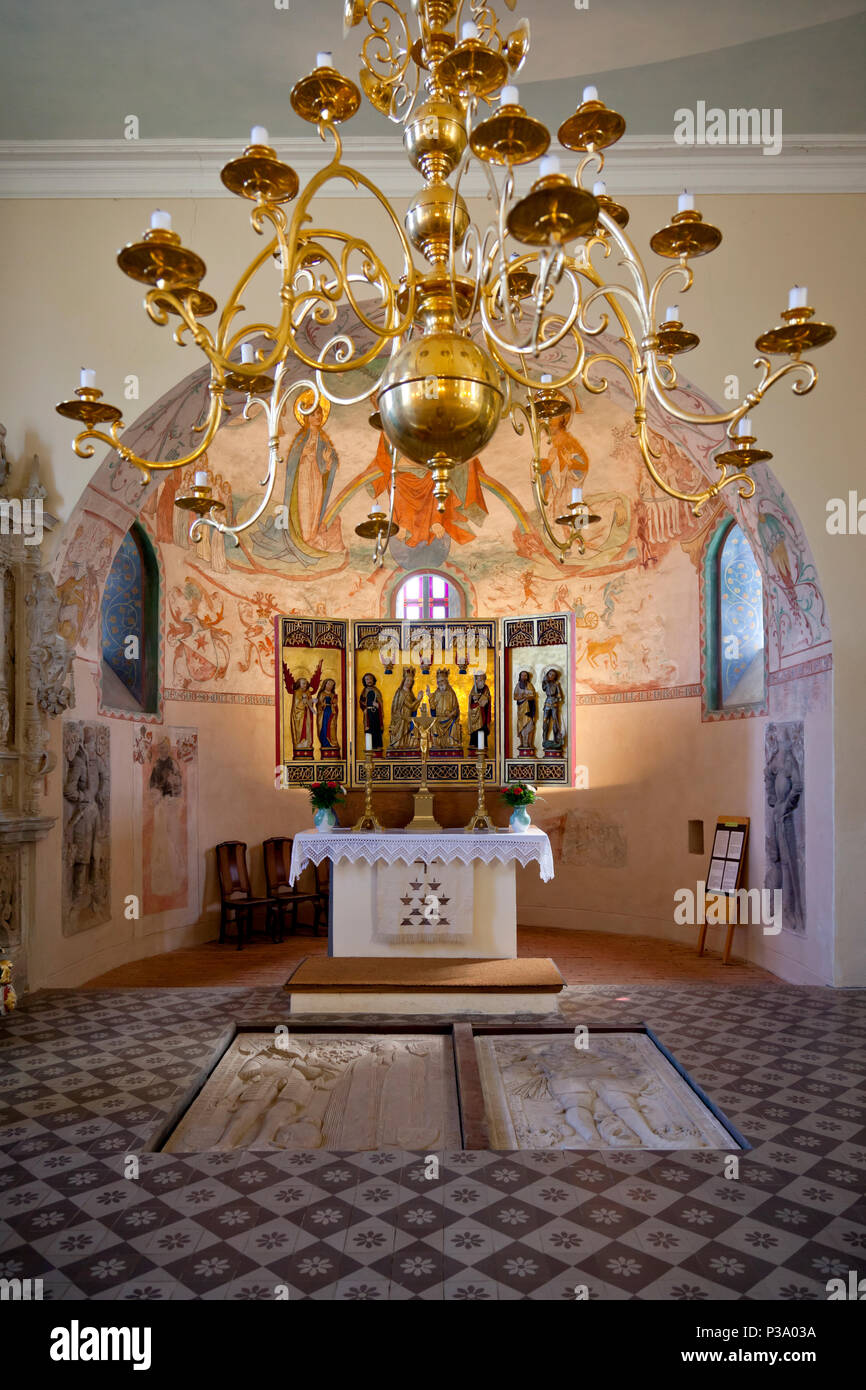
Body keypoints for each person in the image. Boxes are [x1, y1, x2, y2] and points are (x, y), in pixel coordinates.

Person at [426, 669, 462, 751]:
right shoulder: (436, 693)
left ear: (446, 681)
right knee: (433, 723)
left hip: (449, 719)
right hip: (439, 719)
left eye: (442, 681)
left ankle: (452, 743)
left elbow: (456, 708)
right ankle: (436, 744)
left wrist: (452, 713)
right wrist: (429, 696)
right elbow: (433, 709)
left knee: (455, 725)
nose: (440, 683)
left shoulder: (451, 693)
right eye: (438, 682)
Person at [388, 668, 422, 751]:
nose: (409, 683)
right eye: (407, 680)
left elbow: (414, 708)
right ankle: (399, 743)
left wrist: (419, 700)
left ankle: (410, 744)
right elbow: (410, 705)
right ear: (404, 680)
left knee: (416, 724)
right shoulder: (401, 692)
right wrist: (418, 699)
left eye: (411, 681)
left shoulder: (410, 693)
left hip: (408, 716)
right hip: (401, 717)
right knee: (403, 724)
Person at [359, 672, 384, 752]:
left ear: (373, 680)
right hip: (368, 714)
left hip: (376, 713)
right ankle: (370, 749)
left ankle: (378, 747)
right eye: (366, 679)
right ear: (364, 681)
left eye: (370, 679)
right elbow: (361, 702)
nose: (368, 681)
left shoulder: (377, 691)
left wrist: (378, 705)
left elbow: (380, 702)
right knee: (369, 730)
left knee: (377, 729)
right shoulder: (364, 691)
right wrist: (368, 704)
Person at [513, 670, 537, 753]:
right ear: (520, 677)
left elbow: (533, 696)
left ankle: (530, 743)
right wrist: (522, 696)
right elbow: (515, 697)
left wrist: (527, 696)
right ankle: (522, 743)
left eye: (525, 676)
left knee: (530, 725)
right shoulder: (517, 686)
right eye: (522, 676)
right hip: (521, 709)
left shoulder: (530, 685)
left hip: (529, 708)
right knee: (521, 726)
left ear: (527, 677)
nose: (524, 677)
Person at [542, 667, 565, 752]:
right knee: (545, 721)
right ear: (548, 675)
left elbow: (559, 694)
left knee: (555, 721)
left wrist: (558, 698)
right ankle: (544, 738)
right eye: (550, 674)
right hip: (547, 702)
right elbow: (543, 688)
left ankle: (556, 739)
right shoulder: (546, 683)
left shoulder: (556, 684)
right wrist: (545, 680)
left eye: (553, 675)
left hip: (554, 703)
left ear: (555, 677)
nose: (551, 676)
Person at [468, 672, 492, 750]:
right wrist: (474, 699)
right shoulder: (473, 688)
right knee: (474, 733)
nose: (480, 680)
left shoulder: (486, 689)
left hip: (483, 714)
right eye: (478, 679)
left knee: (482, 731)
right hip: (474, 715)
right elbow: (470, 701)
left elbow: (485, 701)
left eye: (481, 679)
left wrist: (479, 699)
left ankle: (482, 749)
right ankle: (473, 747)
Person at [316, 677, 340, 756]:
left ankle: (332, 743)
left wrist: (334, 704)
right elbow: (318, 704)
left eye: (332, 685)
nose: (330, 686)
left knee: (332, 728)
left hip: (331, 713)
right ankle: (325, 743)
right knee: (324, 727)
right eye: (329, 684)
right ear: (325, 684)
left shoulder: (333, 695)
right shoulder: (322, 694)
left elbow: (336, 707)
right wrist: (322, 704)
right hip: (324, 714)